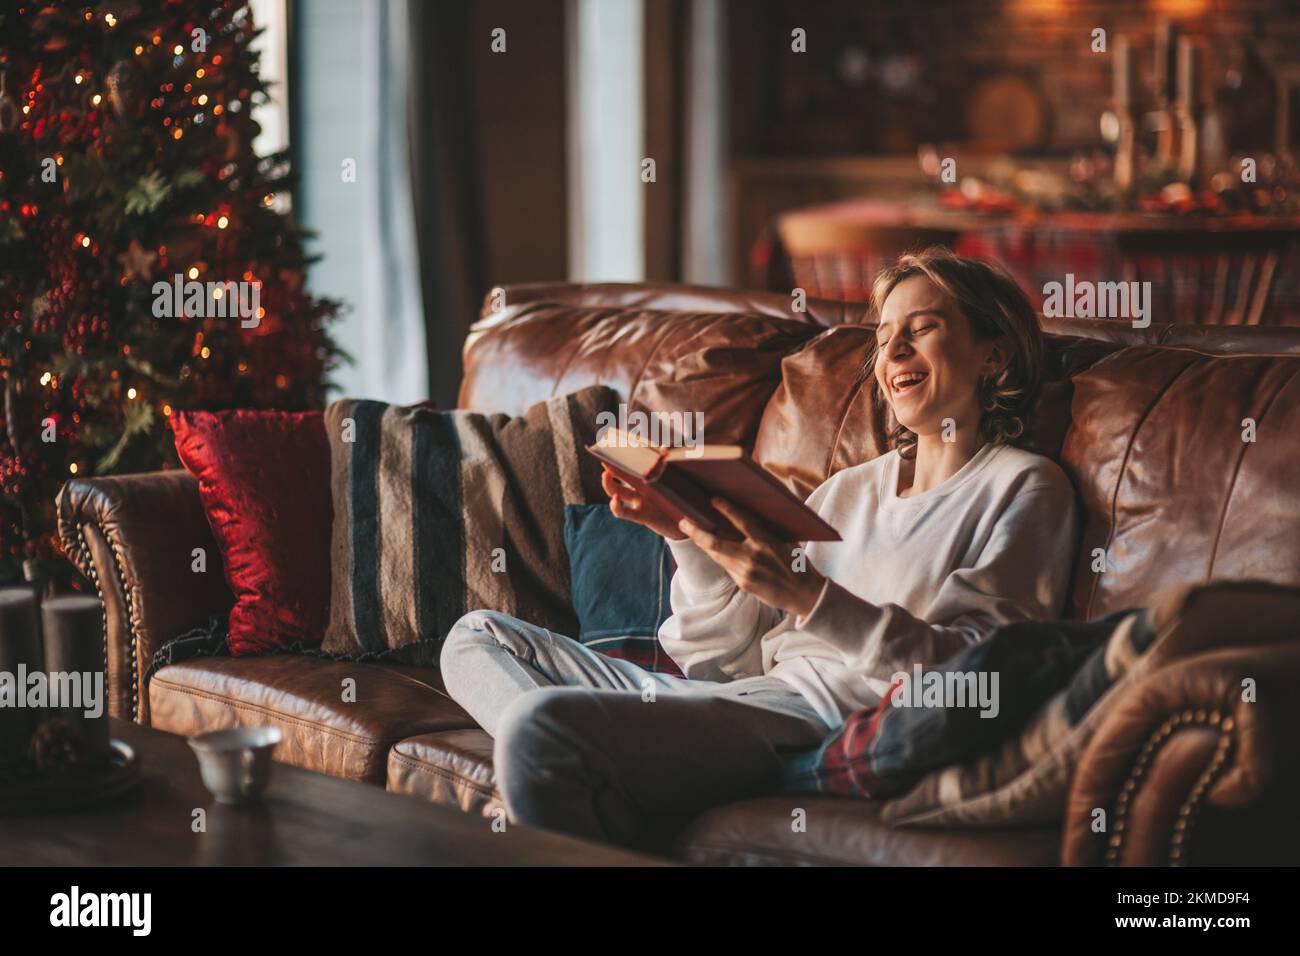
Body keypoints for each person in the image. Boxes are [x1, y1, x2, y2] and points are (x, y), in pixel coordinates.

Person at [439, 247, 1080, 850]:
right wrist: (686, 536)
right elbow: (720, 665)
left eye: (922, 327)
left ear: (993, 357)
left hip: (822, 726)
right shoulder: (850, 488)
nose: (894, 351)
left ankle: (564, 764)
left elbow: (976, 678)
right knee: (476, 637)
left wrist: (809, 595)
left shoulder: (1024, 486)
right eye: (883, 337)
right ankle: (584, 770)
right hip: (744, 702)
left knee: (536, 725)